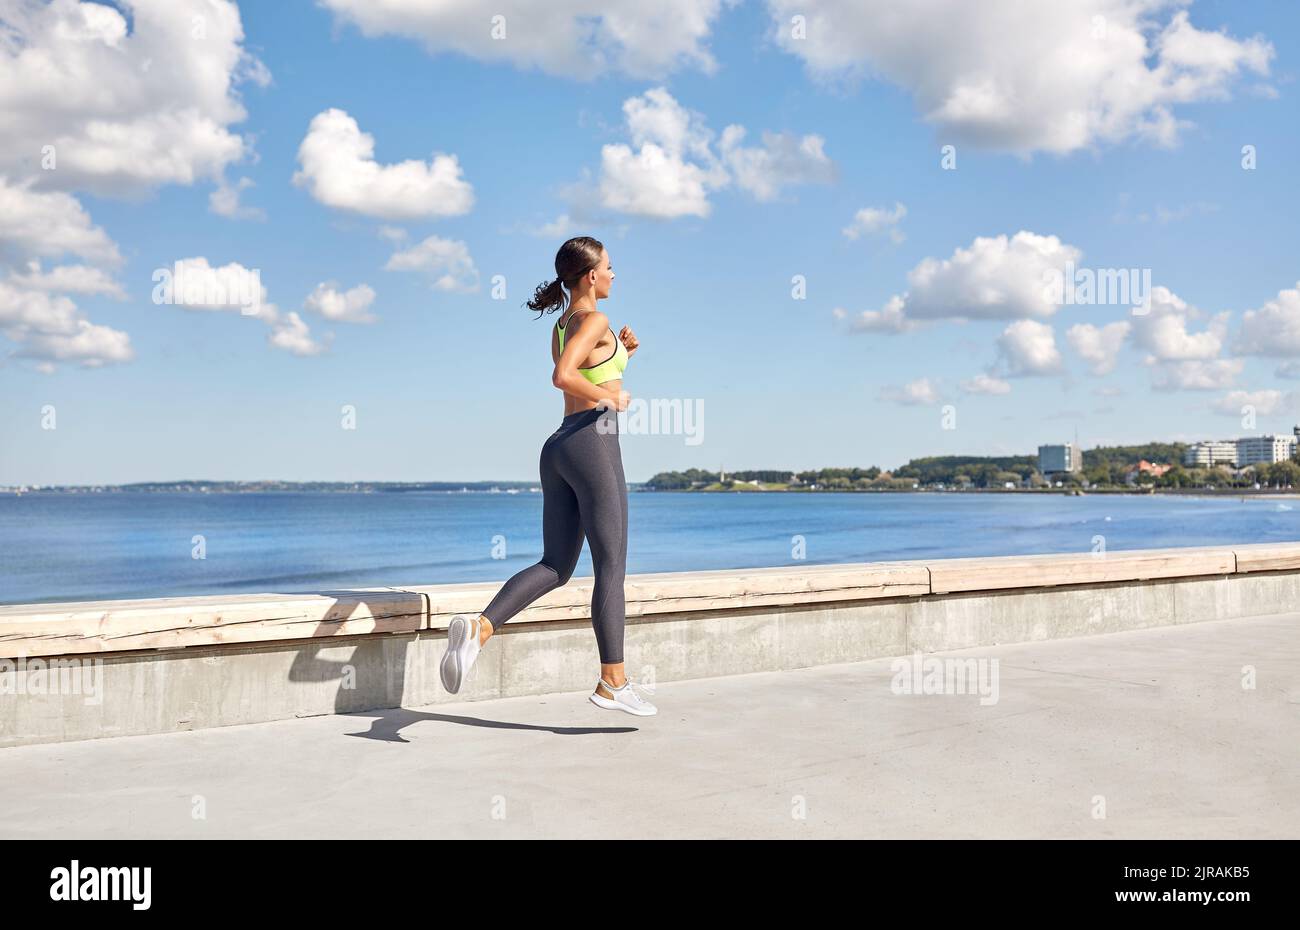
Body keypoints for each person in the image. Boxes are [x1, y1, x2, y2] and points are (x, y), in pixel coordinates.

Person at [440, 236, 657, 716]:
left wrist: (622, 355)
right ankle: (612, 683)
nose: (614, 274)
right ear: (590, 276)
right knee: (612, 566)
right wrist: (611, 399)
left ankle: (480, 628)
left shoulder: (564, 324)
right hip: (592, 442)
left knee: (557, 566)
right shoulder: (594, 319)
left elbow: (586, 368)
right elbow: (564, 376)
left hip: (560, 447)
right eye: (609, 267)